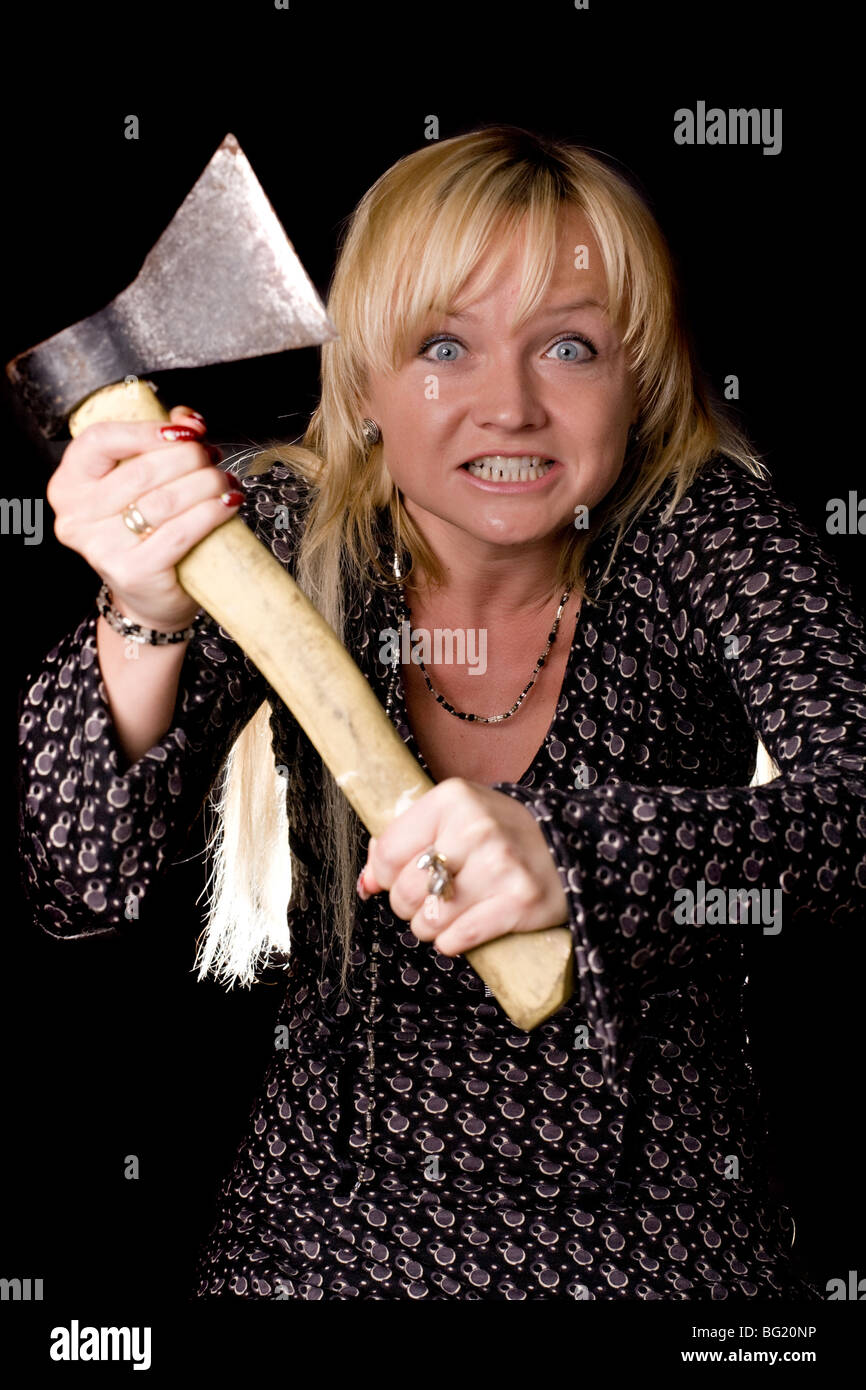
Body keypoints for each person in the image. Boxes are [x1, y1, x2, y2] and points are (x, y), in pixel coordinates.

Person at [18, 126, 863, 1301]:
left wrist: (575, 857)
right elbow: (81, 879)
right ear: (363, 384)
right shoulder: (270, 534)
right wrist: (143, 609)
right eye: (442, 347)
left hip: (663, 1255)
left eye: (567, 345)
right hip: (315, 1248)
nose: (506, 406)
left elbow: (854, 820)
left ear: (641, 376)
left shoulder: (707, 536)